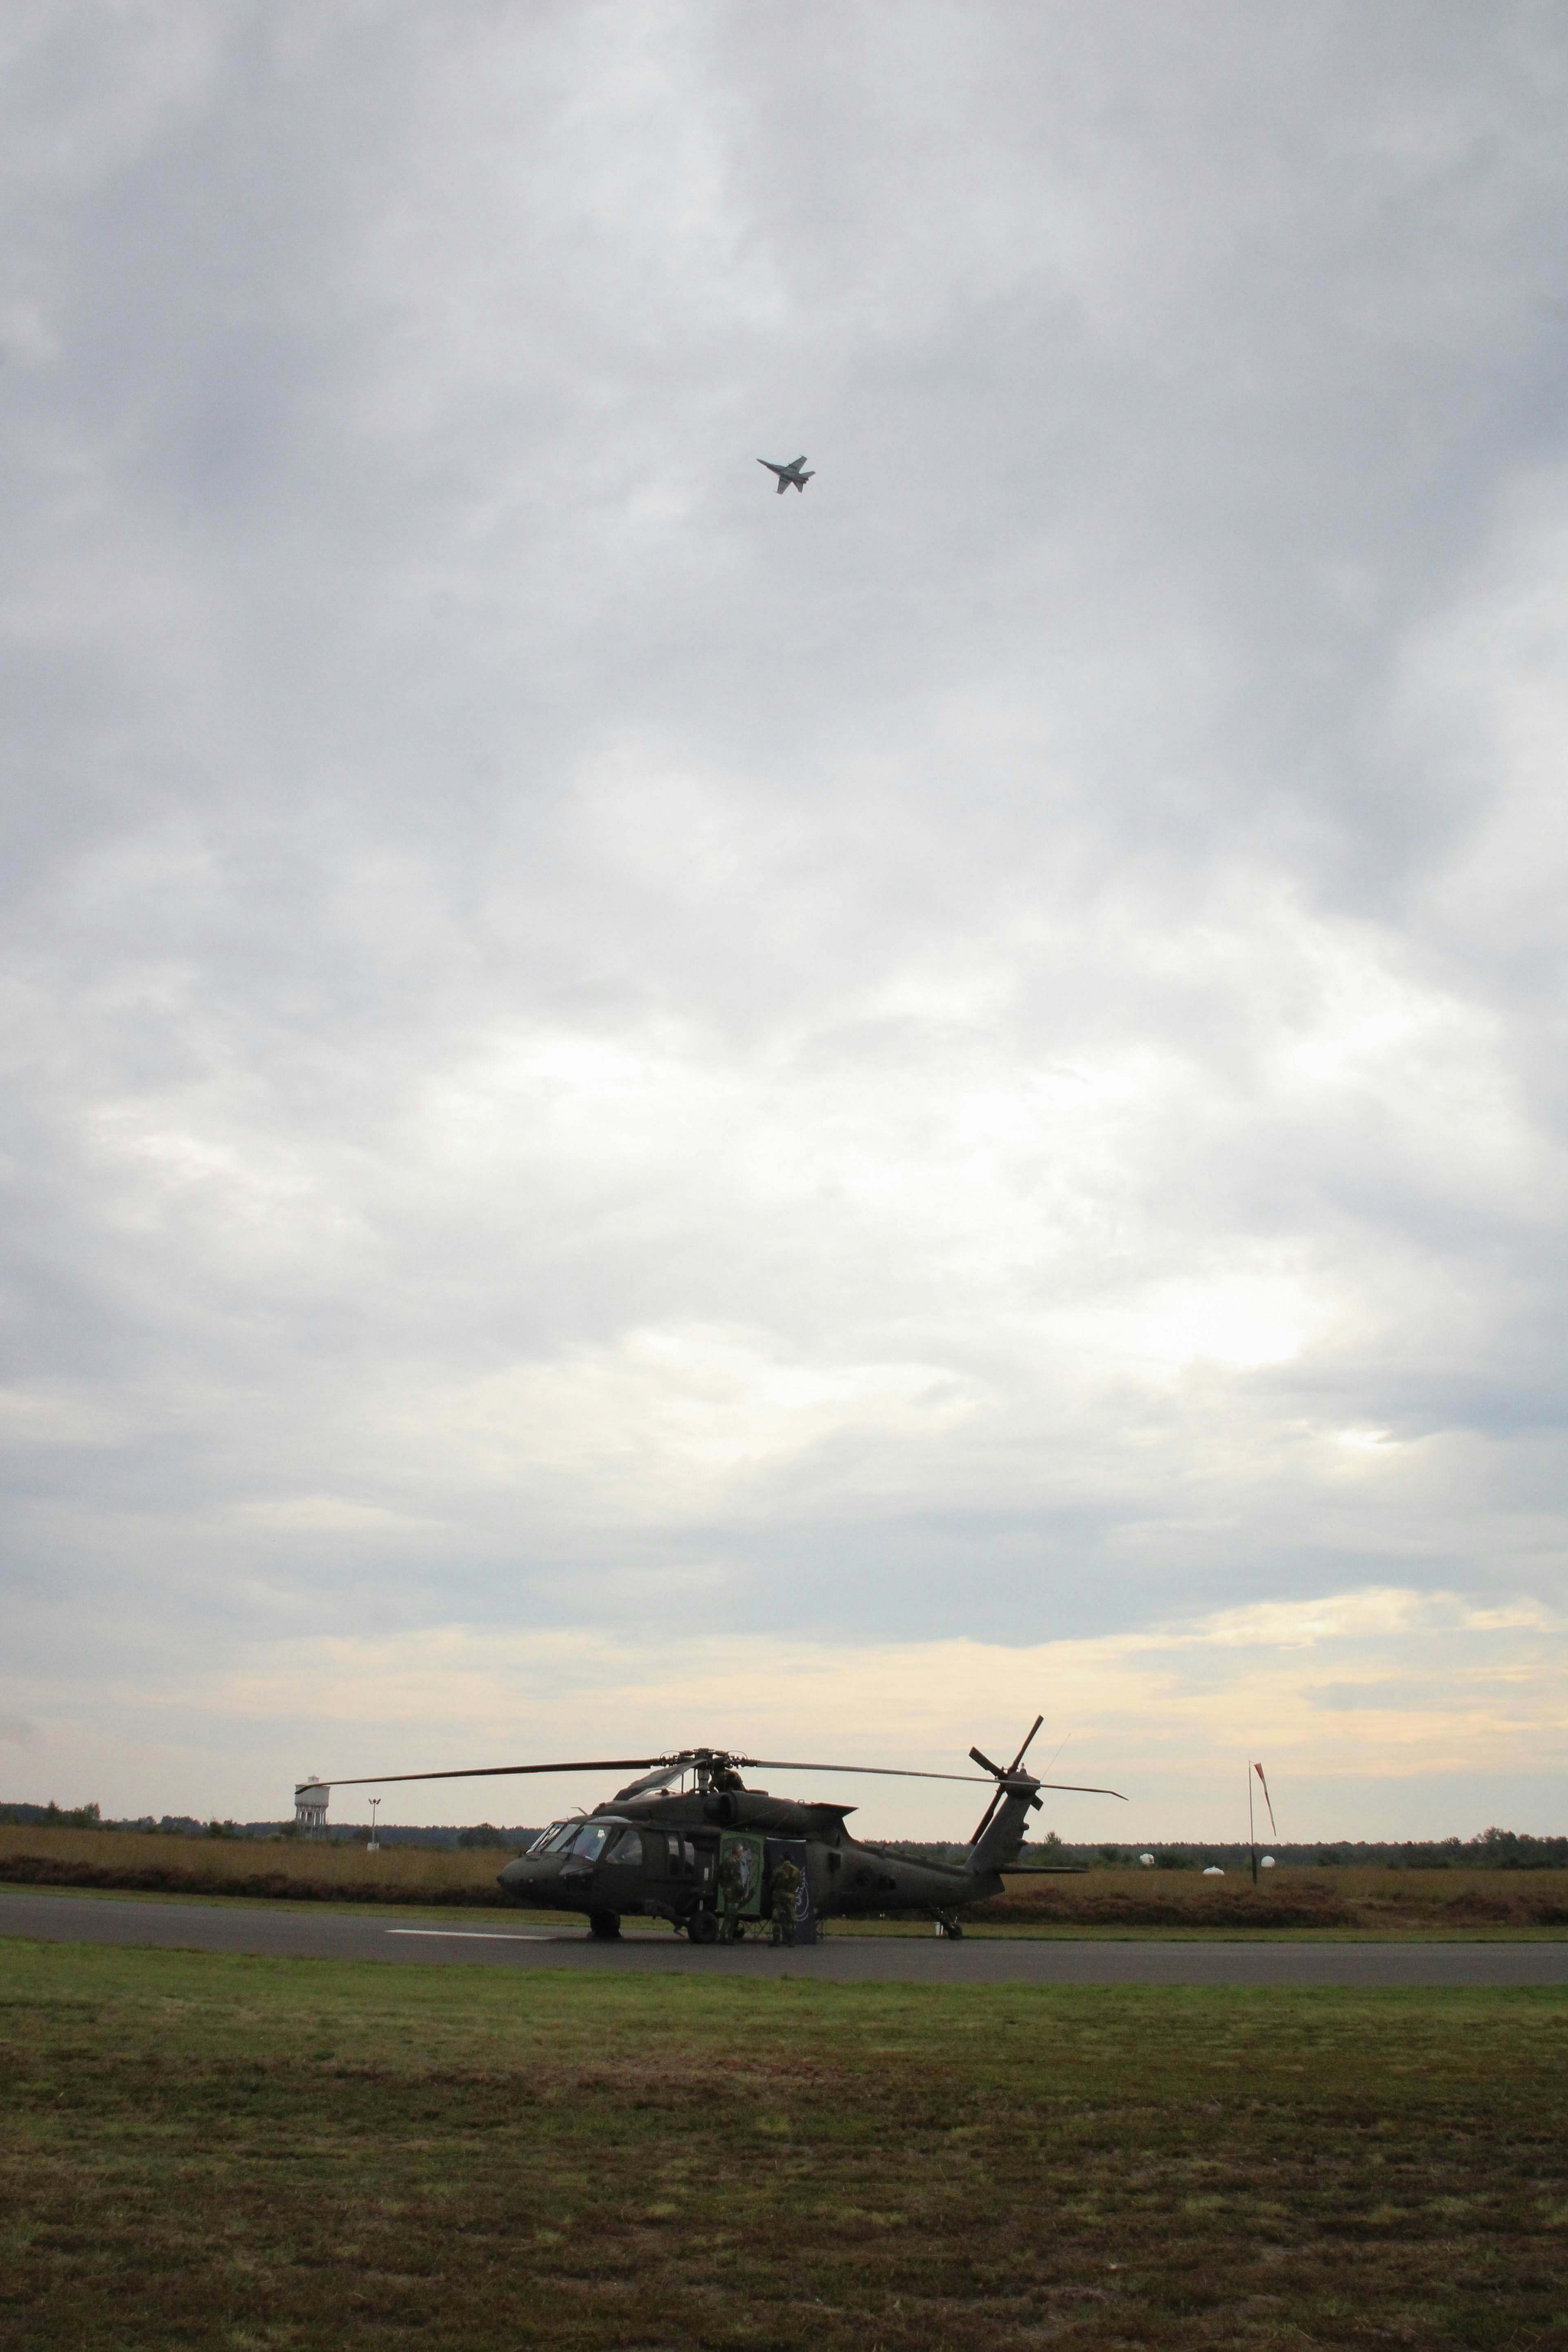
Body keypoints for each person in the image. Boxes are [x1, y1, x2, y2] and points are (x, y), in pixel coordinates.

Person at [769, 1855, 802, 1945]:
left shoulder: (778, 1870)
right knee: (792, 1919)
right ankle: (791, 1940)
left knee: (776, 1918)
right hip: (791, 1897)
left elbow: (772, 1883)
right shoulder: (797, 1871)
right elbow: (799, 1884)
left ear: (782, 1860)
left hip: (779, 1897)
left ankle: (776, 1940)